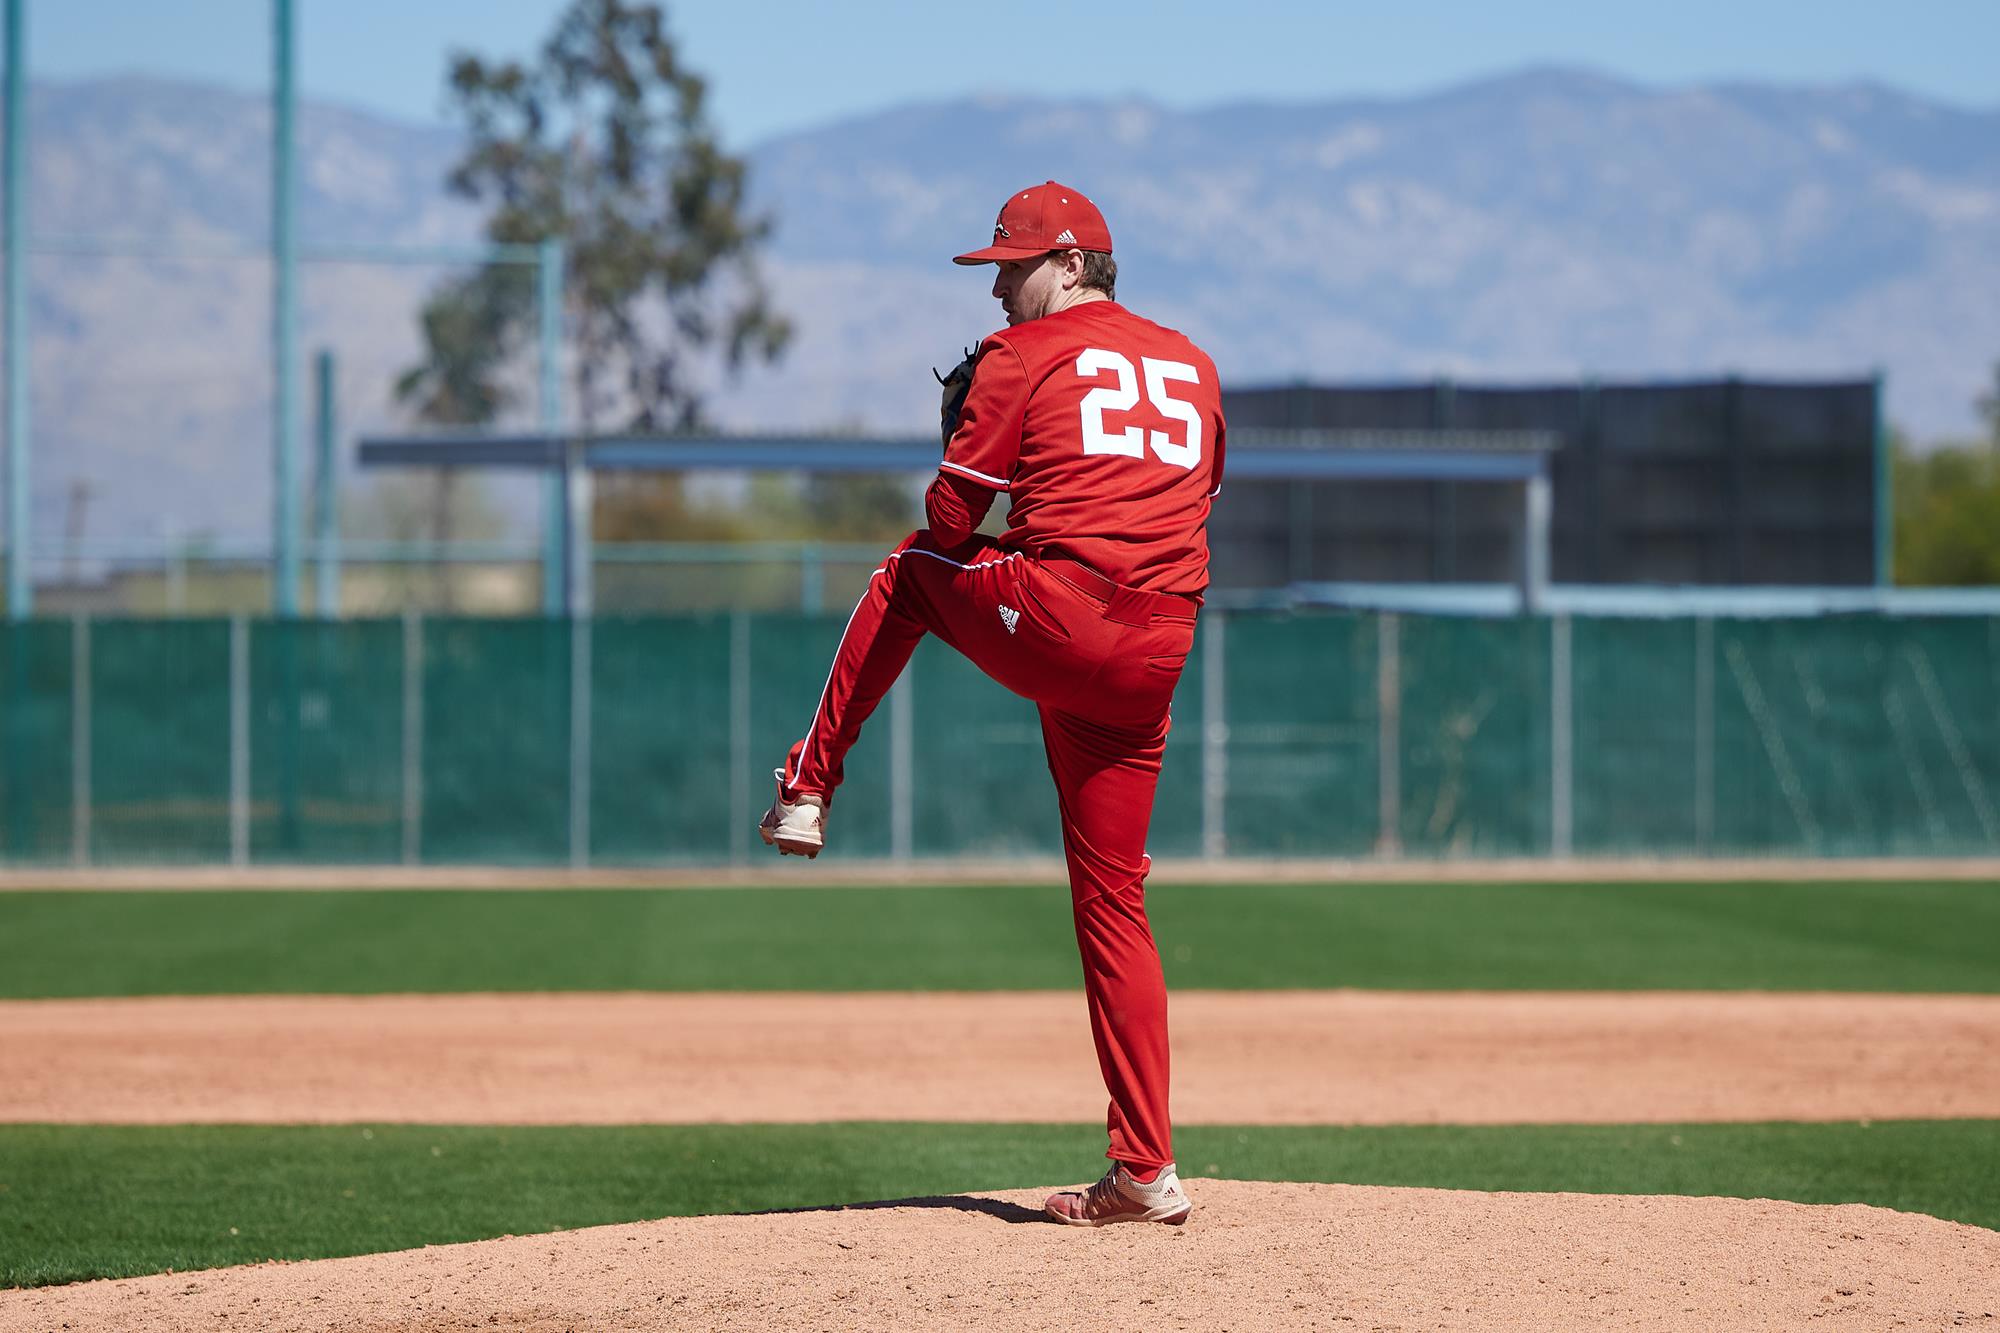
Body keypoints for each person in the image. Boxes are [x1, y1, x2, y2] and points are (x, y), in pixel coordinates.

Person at [760, 181, 1225, 1227]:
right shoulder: (1193, 365)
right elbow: (1181, 505)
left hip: (1066, 617)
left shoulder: (1020, 359)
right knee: (1113, 903)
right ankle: (1145, 1172)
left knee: (908, 571)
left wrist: (992, 444)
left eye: (1010, 268)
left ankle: (806, 782)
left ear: (1069, 263)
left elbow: (948, 515)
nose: (999, 290)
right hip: (1159, 646)